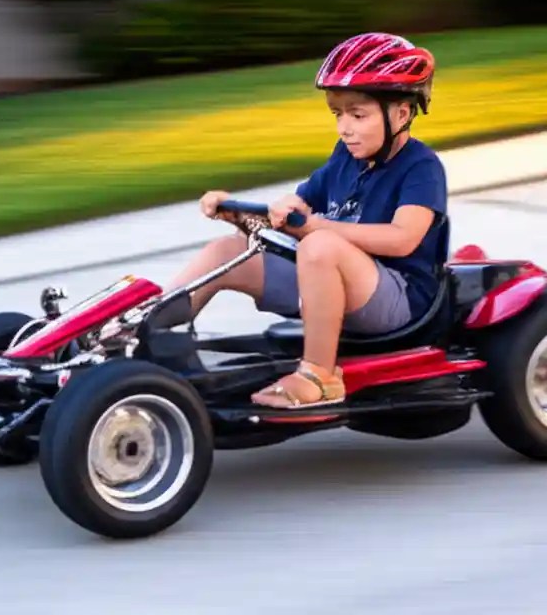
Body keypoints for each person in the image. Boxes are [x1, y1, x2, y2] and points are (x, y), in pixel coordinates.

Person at [164, 32, 449, 409]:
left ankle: (320, 375)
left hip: (399, 301)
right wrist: (242, 212)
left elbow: (402, 240)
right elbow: (299, 204)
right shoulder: (345, 157)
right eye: (338, 114)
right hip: (329, 280)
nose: (343, 127)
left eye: (357, 115)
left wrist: (316, 228)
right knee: (227, 251)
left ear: (400, 113)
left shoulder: (421, 167)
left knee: (319, 246)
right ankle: (143, 331)